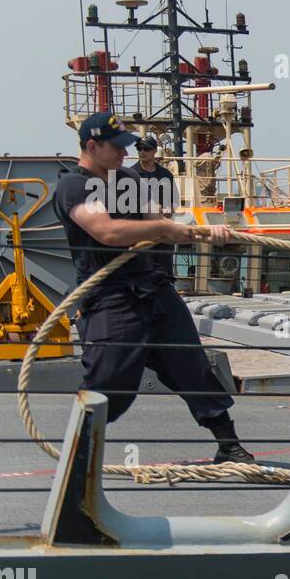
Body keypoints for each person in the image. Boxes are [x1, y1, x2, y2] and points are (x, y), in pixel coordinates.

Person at [55, 112, 253, 462]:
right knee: (110, 380)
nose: (124, 154)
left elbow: (158, 221)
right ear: (91, 146)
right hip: (110, 297)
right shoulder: (74, 186)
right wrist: (161, 230)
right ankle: (80, 453)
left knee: (191, 365)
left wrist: (208, 232)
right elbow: (107, 232)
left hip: (153, 289)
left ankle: (229, 443)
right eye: (116, 147)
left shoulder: (129, 180)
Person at [130, 134, 178, 281]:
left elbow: (174, 201)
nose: (142, 152)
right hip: (140, 233)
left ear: (154, 151)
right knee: (141, 274)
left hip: (162, 234)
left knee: (164, 275)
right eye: (139, 148)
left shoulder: (166, 175)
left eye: (146, 149)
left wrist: (169, 209)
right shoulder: (131, 175)